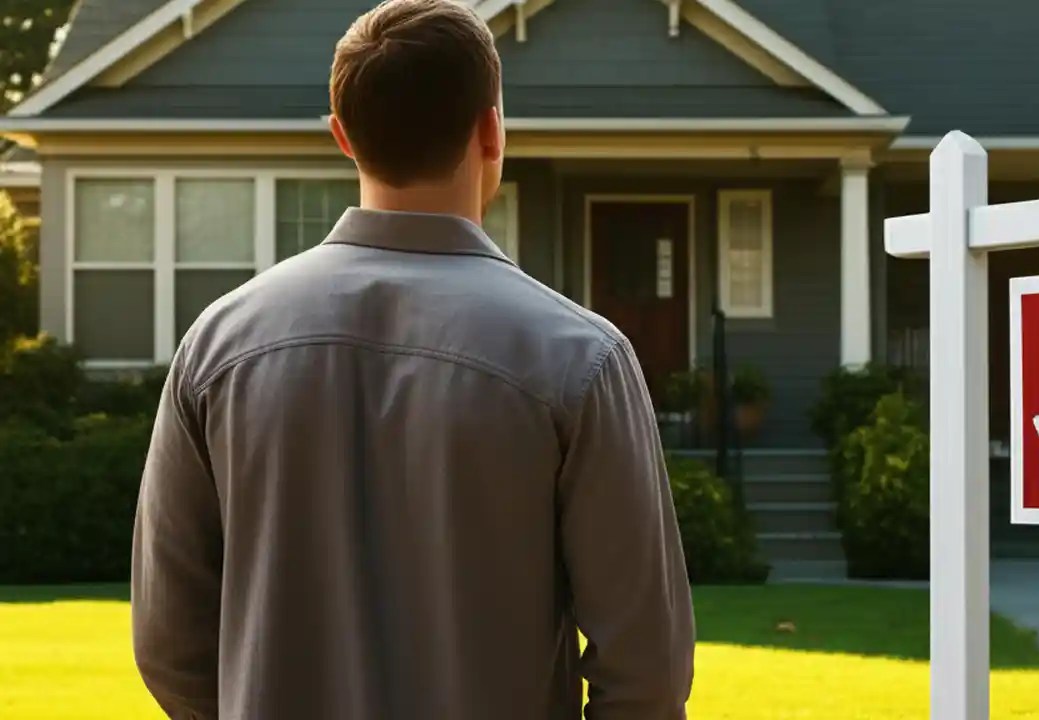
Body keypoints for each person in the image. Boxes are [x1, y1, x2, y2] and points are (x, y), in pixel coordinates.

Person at [130, 1, 695, 717]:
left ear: (342, 135)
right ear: (490, 130)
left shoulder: (217, 347)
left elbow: (168, 645)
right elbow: (646, 673)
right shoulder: (579, 359)